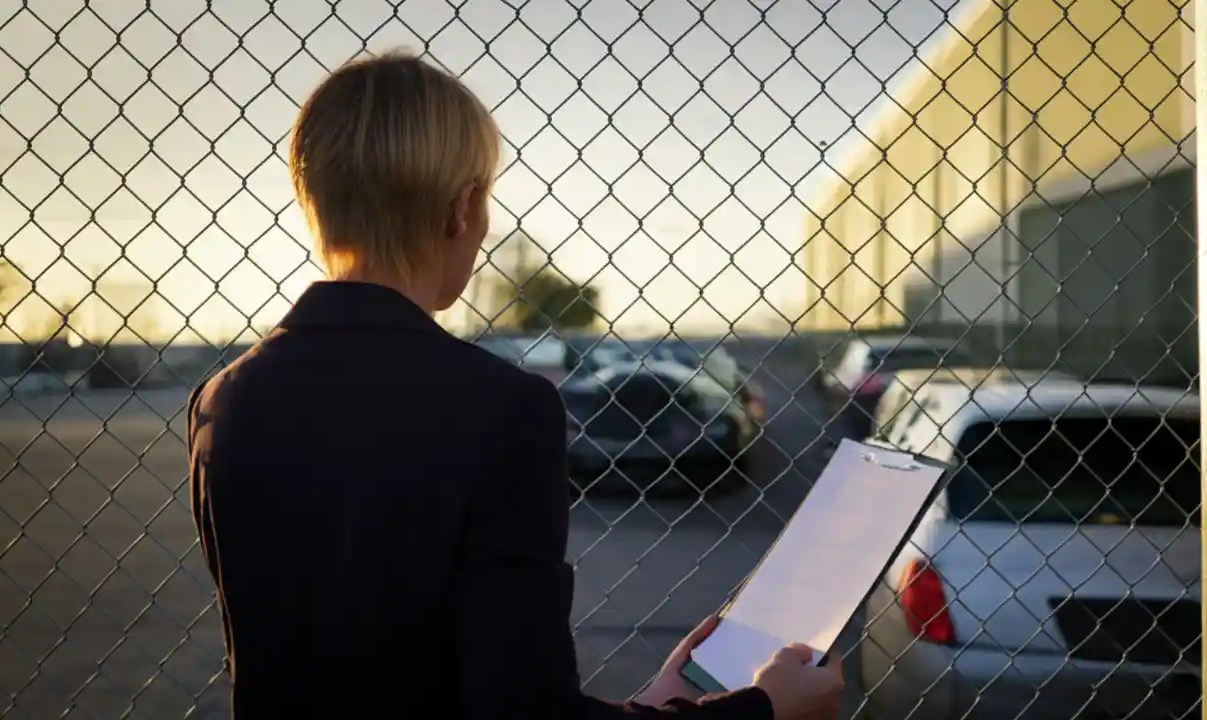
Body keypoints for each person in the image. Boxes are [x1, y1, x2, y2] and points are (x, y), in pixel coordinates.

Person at [186, 50, 845, 719]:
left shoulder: (223, 402)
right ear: (463, 209)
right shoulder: (502, 410)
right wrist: (765, 710)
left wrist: (652, 704)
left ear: (312, 201)